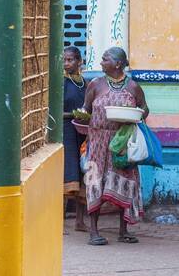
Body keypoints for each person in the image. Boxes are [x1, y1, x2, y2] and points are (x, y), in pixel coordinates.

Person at [82, 46, 148, 246]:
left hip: (122, 141)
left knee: (124, 181)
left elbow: (144, 108)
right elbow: (86, 109)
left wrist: (135, 116)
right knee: (95, 182)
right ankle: (94, 231)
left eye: (105, 59)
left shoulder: (133, 87)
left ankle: (123, 230)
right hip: (98, 141)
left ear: (118, 64)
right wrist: (82, 117)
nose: (101, 63)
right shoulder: (95, 84)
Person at [62, 46, 88, 233]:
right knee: (67, 172)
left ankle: (80, 221)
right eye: (64, 60)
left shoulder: (86, 84)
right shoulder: (61, 83)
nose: (66, 63)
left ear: (79, 61)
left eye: (70, 60)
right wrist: (73, 114)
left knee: (82, 172)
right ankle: (60, 221)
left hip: (83, 132)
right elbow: (55, 110)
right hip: (66, 131)